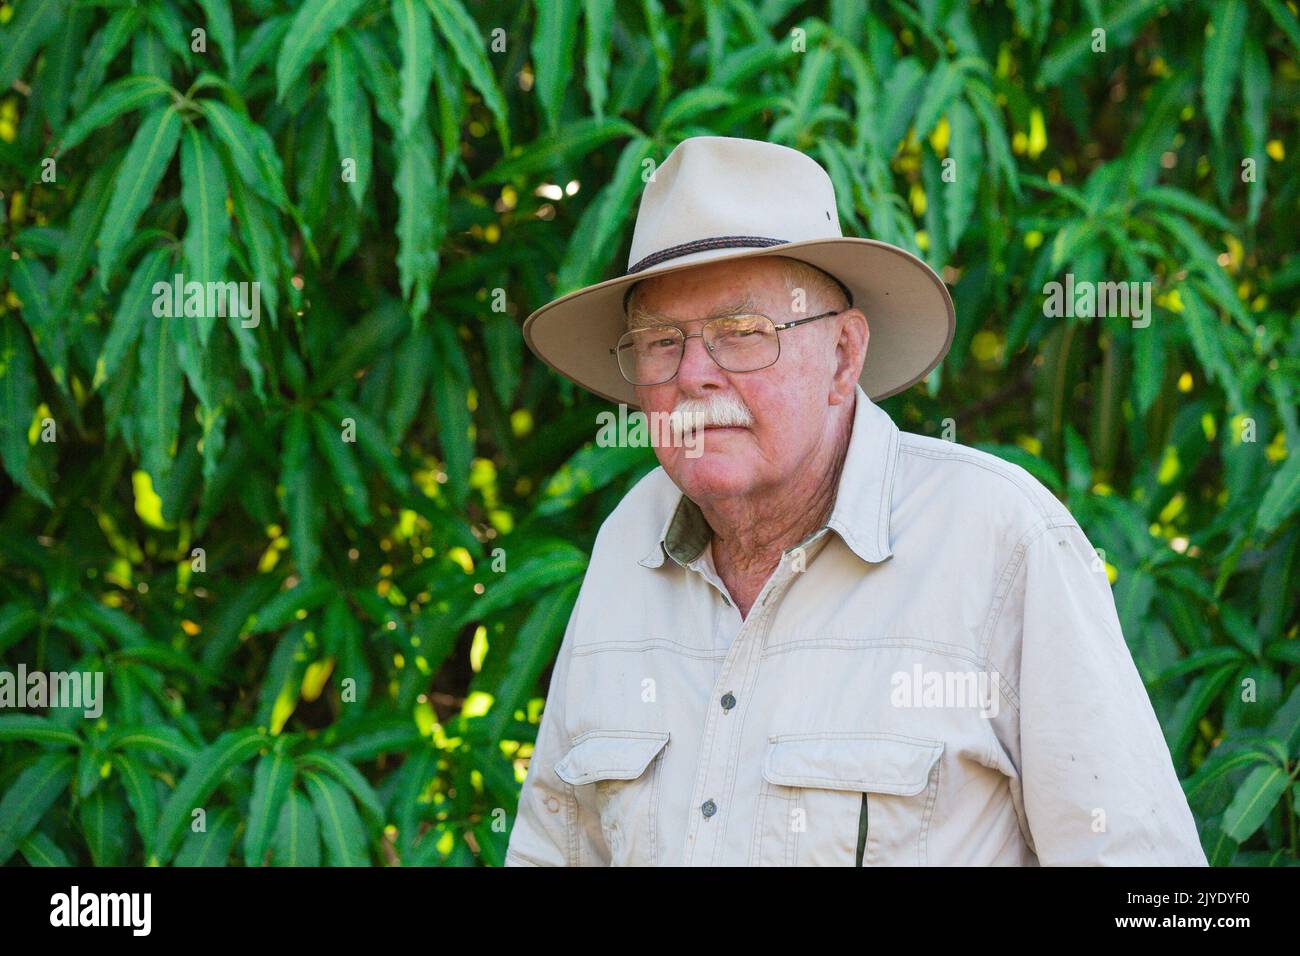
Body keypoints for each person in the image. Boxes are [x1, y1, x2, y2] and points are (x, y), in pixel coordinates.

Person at [505, 136, 1207, 866]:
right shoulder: (627, 546)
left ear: (843, 355)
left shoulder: (998, 540)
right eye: (658, 342)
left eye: (742, 333)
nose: (692, 376)